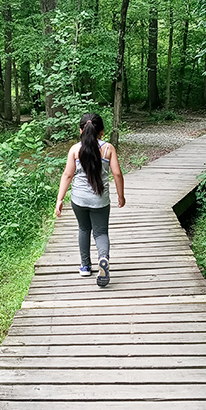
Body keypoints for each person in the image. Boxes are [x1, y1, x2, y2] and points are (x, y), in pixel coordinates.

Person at [55, 113, 126, 287]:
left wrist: (60, 199)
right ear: (101, 132)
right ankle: (103, 258)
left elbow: (67, 174)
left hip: (78, 199)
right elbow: (117, 173)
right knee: (101, 232)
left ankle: (85, 266)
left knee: (83, 228)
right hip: (100, 200)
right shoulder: (108, 149)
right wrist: (121, 195)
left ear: (81, 130)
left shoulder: (74, 150)